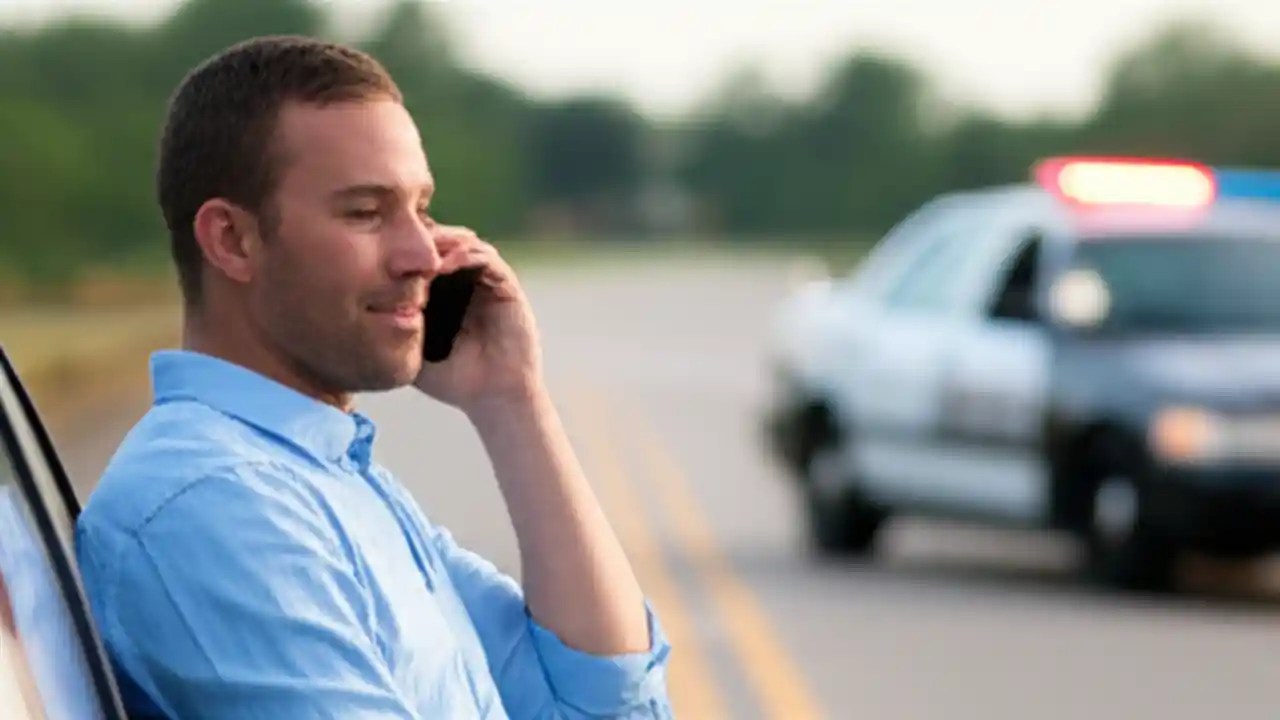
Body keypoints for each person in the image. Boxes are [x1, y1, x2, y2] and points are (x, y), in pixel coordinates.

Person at [74, 35, 672, 719]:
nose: (424, 253)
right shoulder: (215, 505)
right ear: (233, 241)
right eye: (366, 212)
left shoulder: (331, 477)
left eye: (421, 208)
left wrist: (513, 401)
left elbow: (603, 700)